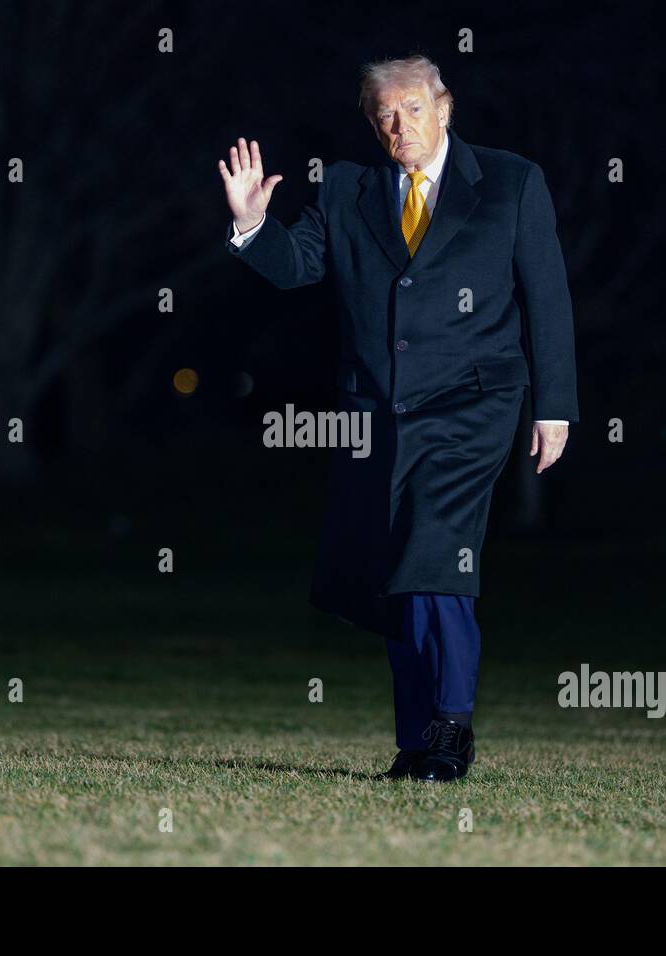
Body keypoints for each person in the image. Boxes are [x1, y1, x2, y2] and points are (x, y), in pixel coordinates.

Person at [219, 54, 579, 782]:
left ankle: (451, 727)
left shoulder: (511, 181)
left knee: (434, 550)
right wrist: (254, 225)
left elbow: (546, 298)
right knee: (395, 570)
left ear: (445, 107)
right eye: (383, 112)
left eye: (413, 107)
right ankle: (416, 738)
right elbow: (297, 265)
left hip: (473, 403)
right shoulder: (349, 189)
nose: (398, 125)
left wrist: (556, 409)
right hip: (378, 410)